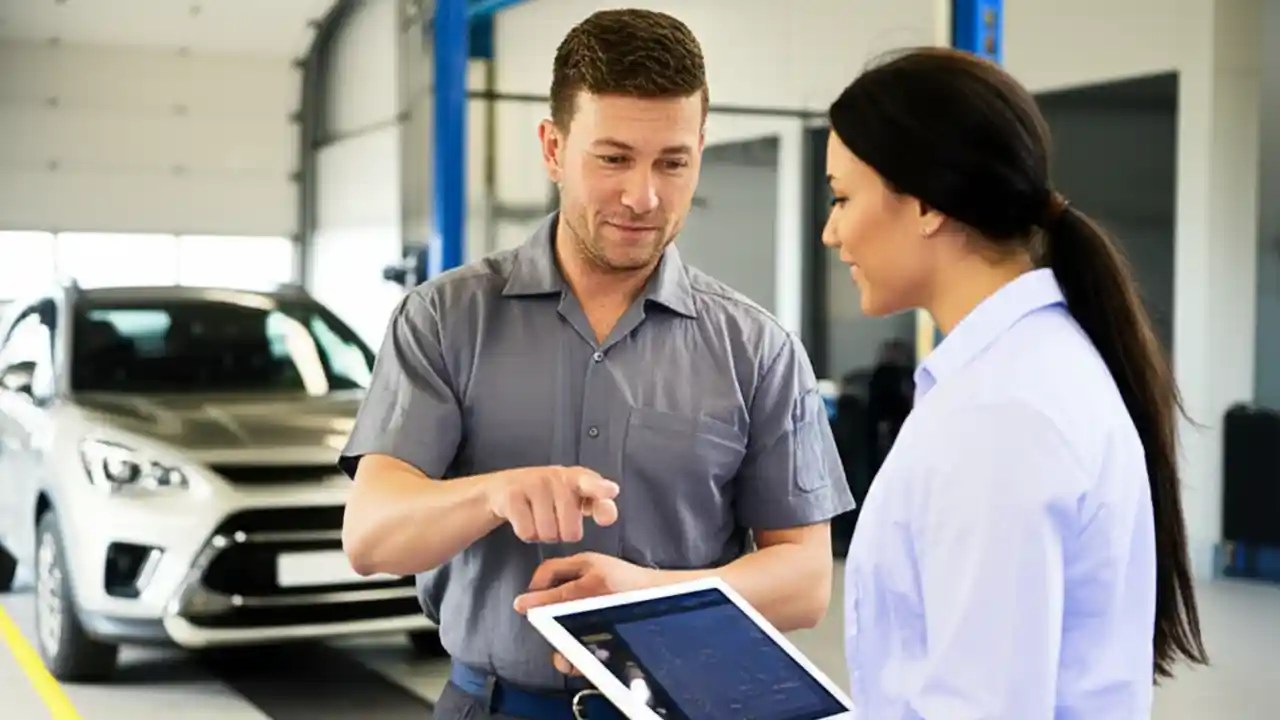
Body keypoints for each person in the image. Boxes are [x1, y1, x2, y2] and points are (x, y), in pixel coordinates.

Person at [339, 8, 854, 720]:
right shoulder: (445, 320)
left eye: (673, 162)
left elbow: (804, 582)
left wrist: (649, 595)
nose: (643, 197)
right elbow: (371, 538)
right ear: (553, 148)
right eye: (613, 159)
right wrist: (492, 495)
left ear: (700, 150)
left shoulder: (757, 348)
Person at [822, 47, 1210, 719]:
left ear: (926, 205)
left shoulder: (999, 415)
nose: (832, 231)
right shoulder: (1024, 372)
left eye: (842, 197)